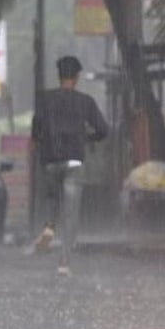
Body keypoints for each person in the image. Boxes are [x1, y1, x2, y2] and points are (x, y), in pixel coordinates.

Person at [30, 55, 109, 277]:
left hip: (50, 159)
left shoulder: (45, 99)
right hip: (74, 160)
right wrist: (87, 138)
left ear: (60, 76)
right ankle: (64, 262)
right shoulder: (85, 102)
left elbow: (36, 128)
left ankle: (49, 226)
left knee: (51, 196)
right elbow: (103, 130)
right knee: (71, 213)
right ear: (76, 78)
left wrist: (39, 143)